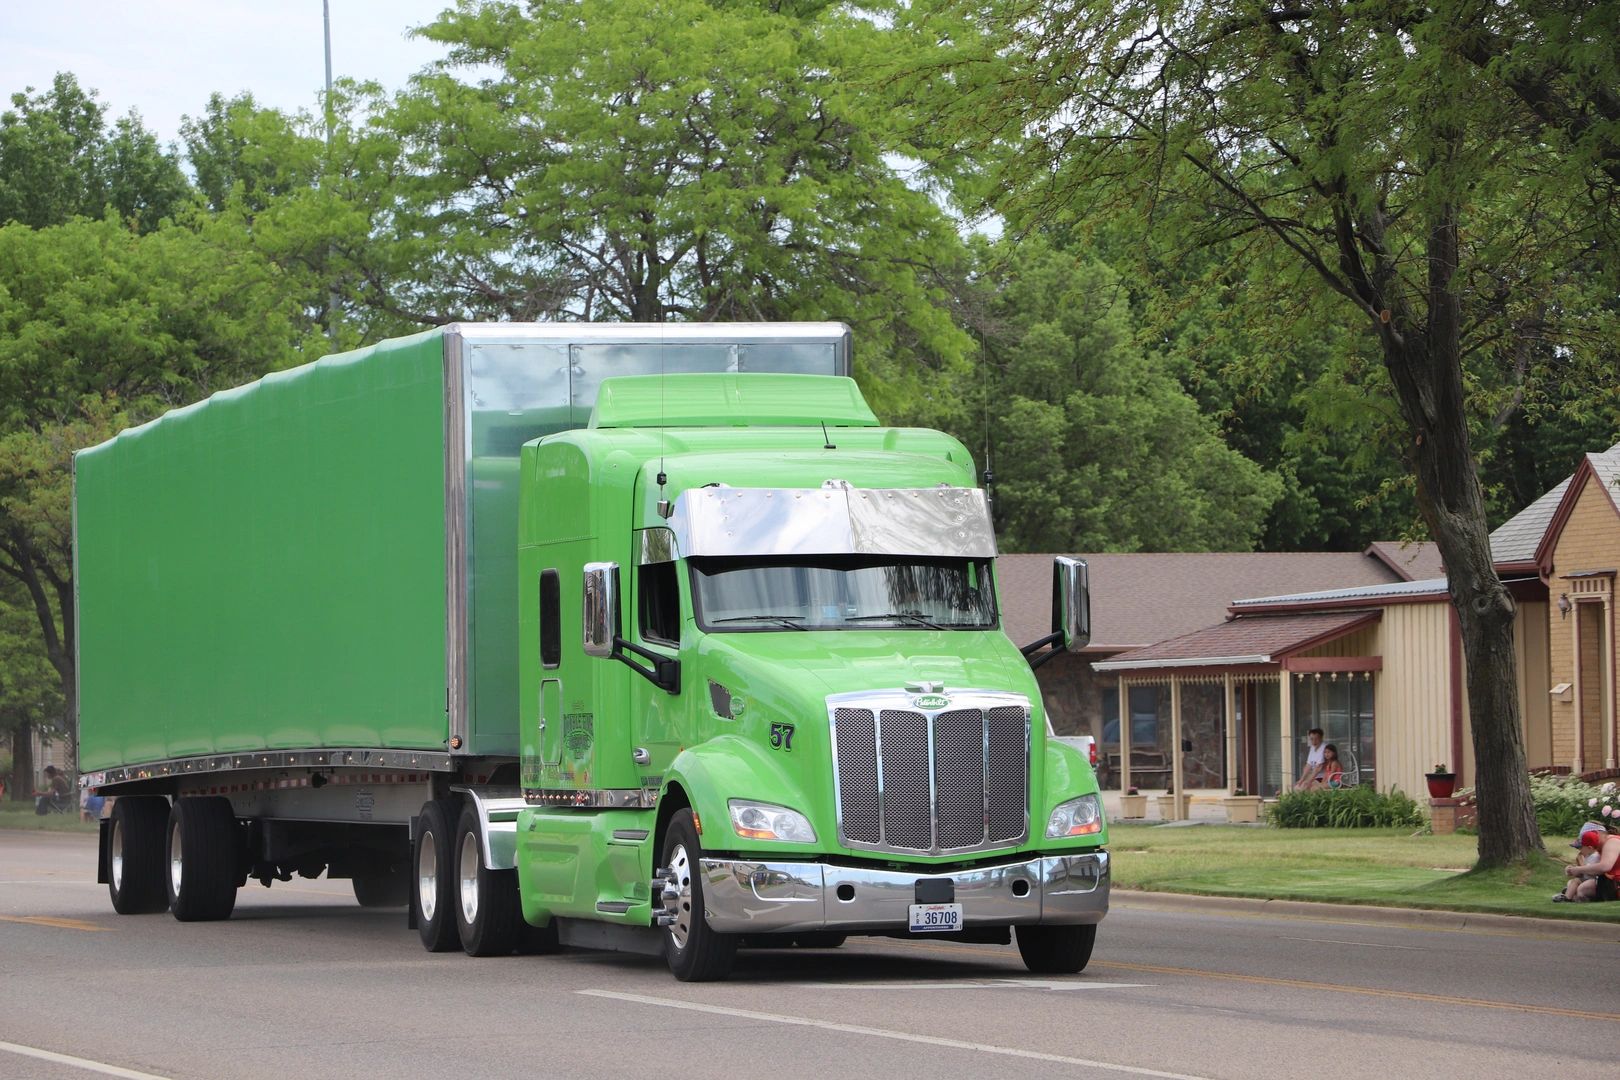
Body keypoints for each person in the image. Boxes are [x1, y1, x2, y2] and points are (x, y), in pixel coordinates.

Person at [1554, 822, 1620, 903]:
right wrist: (1576, 871)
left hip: (1615, 882)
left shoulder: (1612, 841)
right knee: (1572, 883)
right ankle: (1571, 896)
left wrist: (1579, 869)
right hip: (1609, 881)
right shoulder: (1599, 848)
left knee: (1583, 889)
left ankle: (1571, 897)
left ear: (1598, 833)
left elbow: (1605, 866)